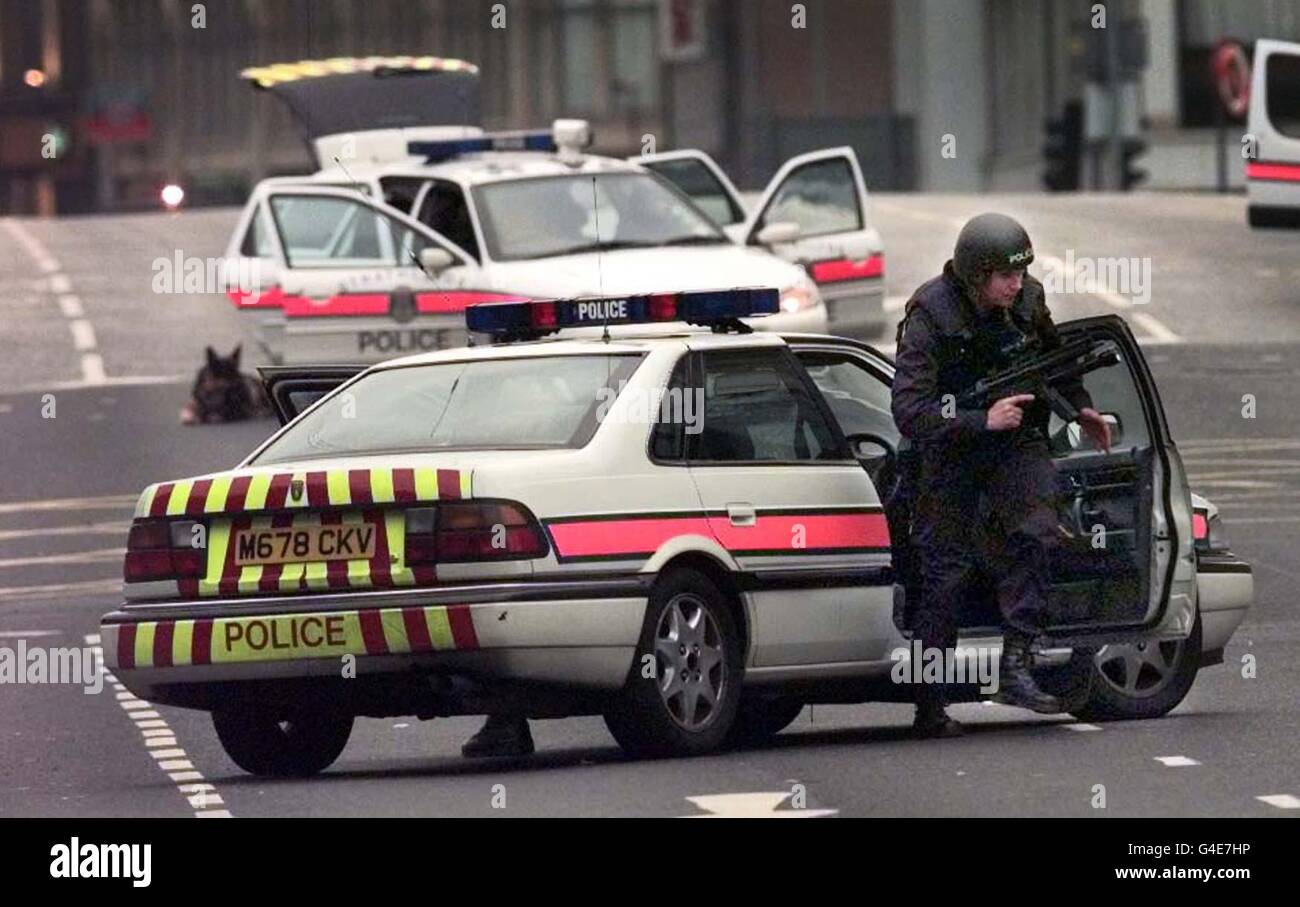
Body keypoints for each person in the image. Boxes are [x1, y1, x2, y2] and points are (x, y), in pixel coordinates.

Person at [891, 213, 1111, 738]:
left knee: (1037, 531)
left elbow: (1055, 360)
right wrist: (977, 419)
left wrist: (1080, 407)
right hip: (951, 451)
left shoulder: (1027, 301)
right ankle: (930, 703)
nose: (1017, 284)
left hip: (1015, 442)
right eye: (1005, 276)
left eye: (1021, 273)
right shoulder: (931, 314)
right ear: (975, 274)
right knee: (945, 577)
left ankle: (1017, 663)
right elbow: (910, 410)